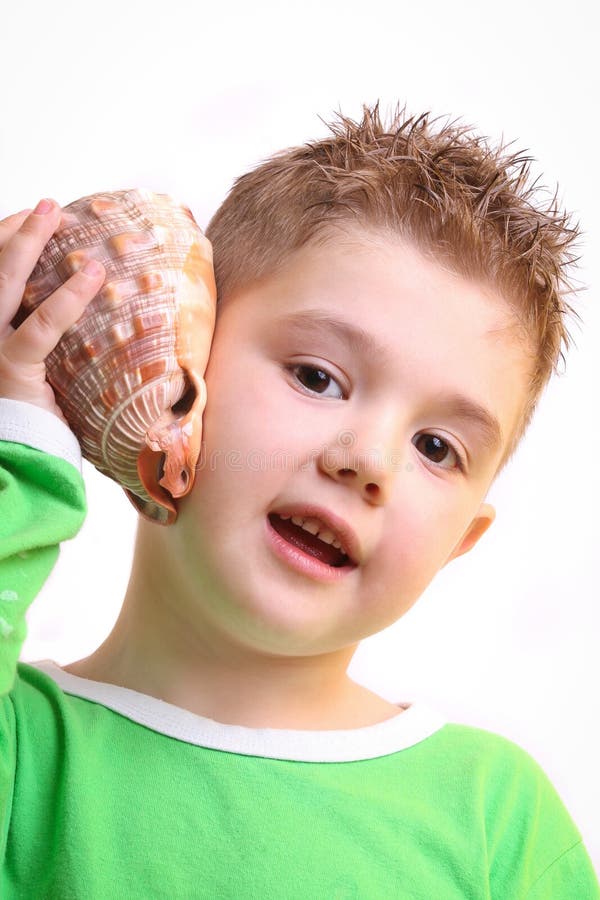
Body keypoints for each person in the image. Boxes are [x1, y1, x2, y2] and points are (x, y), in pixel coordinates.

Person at [1, 102, 598, 897]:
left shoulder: (497, 815)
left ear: (461, 540)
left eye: (437, 448)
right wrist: (21, 447)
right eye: (318, 377)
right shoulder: (23, 755)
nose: (368, 461)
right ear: (184, 363)